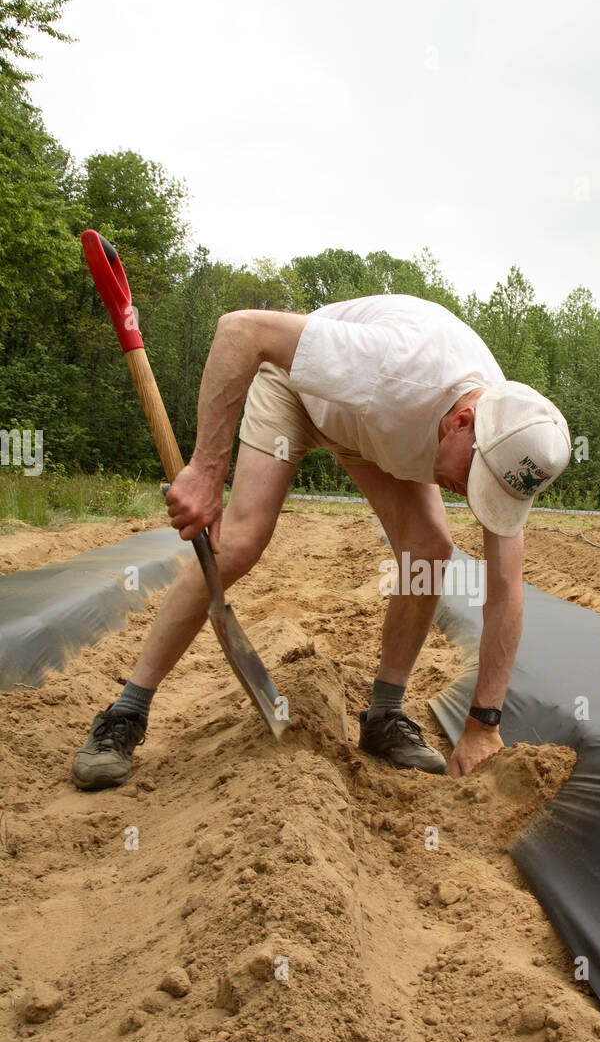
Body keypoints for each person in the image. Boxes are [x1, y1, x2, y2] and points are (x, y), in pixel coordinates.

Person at [71, 293, 571, 790]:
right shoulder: (395, 366)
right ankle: (126, 714)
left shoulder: (513, 437)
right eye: (473, 476)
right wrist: (205, 469)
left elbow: (505, 590)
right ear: (462, 423)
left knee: (429, 553)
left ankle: (383, 717)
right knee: (241, 543)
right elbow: (240, 331)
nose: (471, 494)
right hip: (299, 392)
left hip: (372, 433)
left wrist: (484, 724)